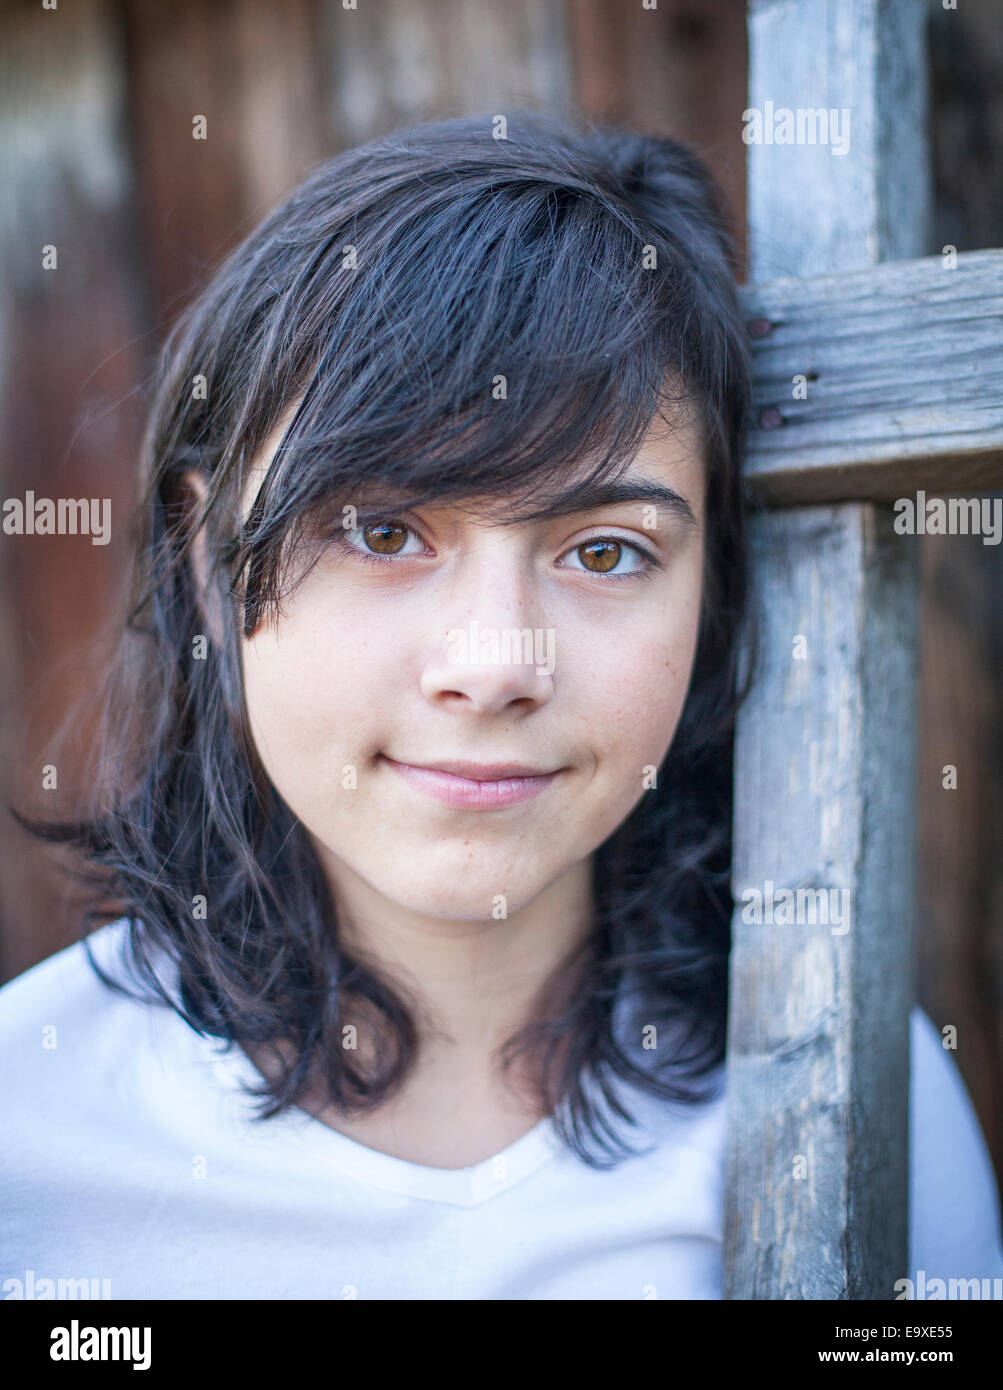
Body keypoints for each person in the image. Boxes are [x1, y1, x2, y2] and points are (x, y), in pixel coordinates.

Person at [1, 112, 1001, 1301]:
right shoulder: (32, 1134)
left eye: (606, 552)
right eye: (382, 531)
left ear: (712, 597)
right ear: (212, 567)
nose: (494, 663)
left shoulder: (858, 1092)